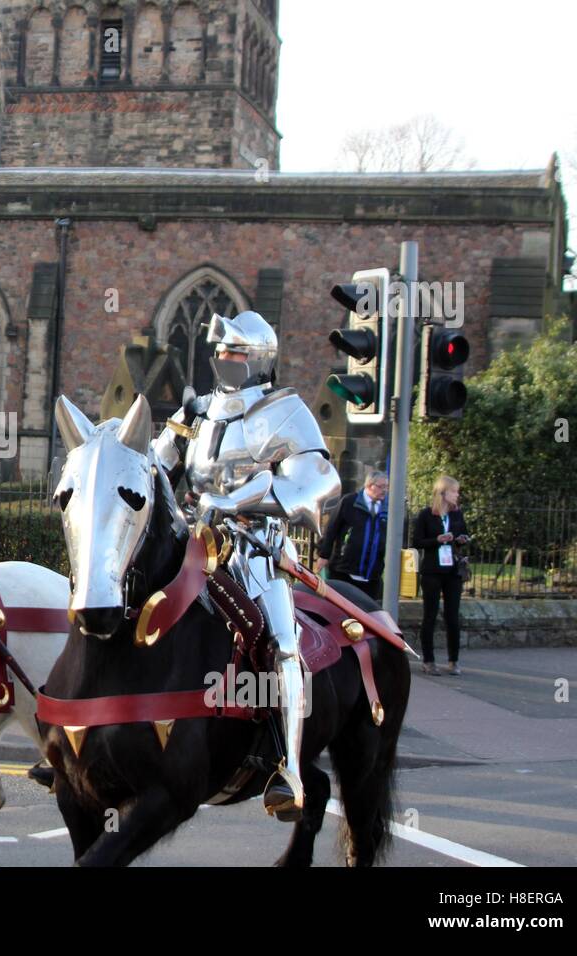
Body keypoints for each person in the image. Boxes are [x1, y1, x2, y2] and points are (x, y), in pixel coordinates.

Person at [152, 311, 340, 822]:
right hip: (194, 543)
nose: (226, 362)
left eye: (236, 354)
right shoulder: (196, 410)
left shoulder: (285, 411)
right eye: (222, 353)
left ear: (258, 359)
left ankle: (290, 767)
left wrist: (239, 499)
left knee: (282, 642)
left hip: (257, 551)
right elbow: (154, 466)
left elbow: (317, 483)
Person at [412, 475, 471, 677]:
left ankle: (453, 661)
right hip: (432, 570)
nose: (457, 495)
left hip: (452, 570)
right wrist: (437, 539)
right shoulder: (426, 515)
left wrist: (461, 539)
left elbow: (464, 534)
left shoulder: (457, 515)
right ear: (443, 493)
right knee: (430, 615)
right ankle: (429, 661)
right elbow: (417, 541)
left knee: (453, 616)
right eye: (454, 491)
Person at [315, 470, 389, 600]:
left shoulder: (387, 509)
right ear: (369, 485)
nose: (384, 490)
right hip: (344, 569)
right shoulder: (349, 502)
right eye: (380, 486)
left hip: (372, 574)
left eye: (386, 487)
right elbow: (332, 528)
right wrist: (324, 555)